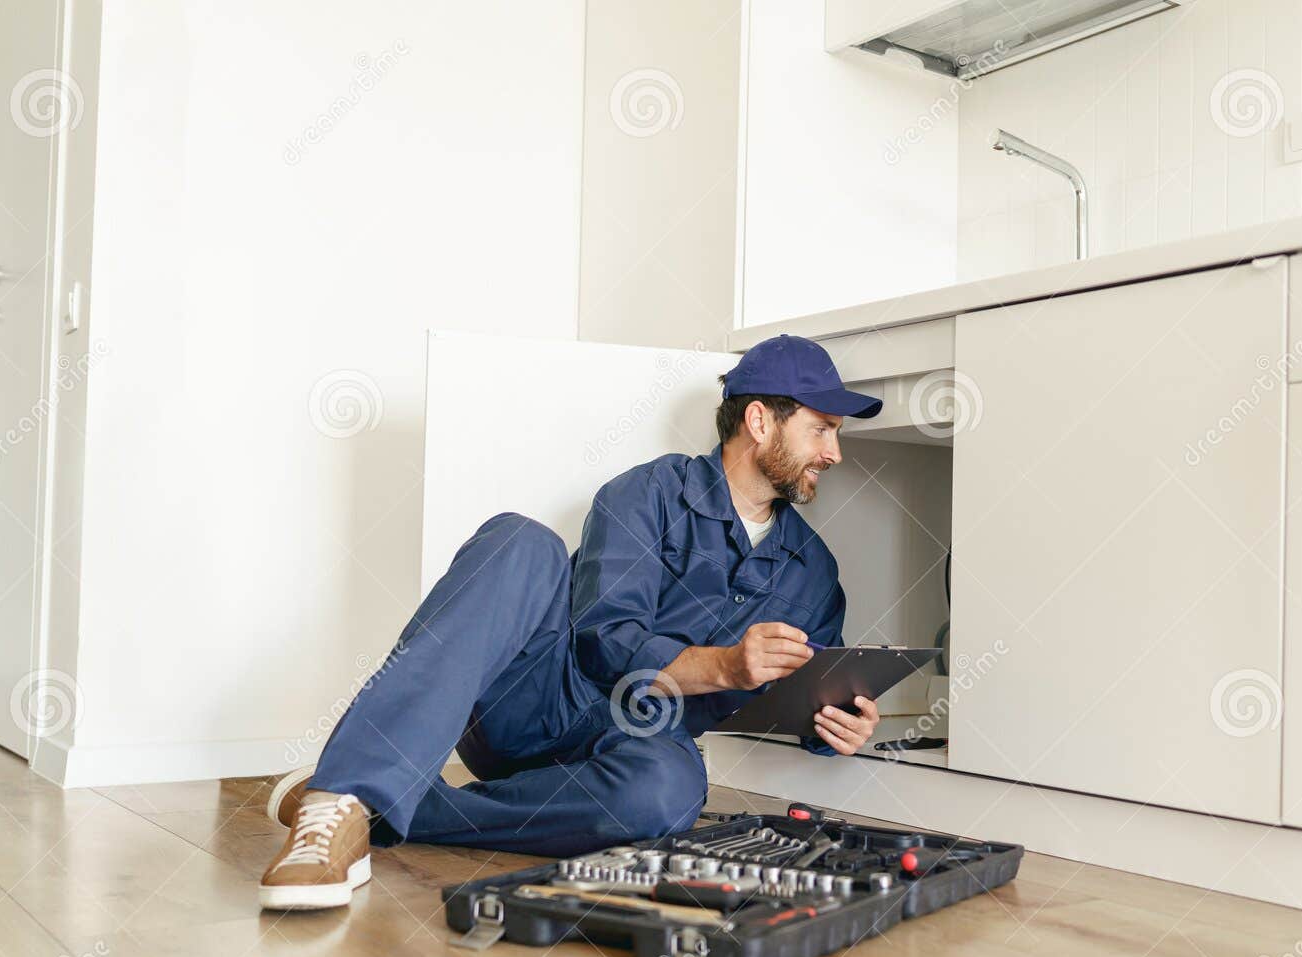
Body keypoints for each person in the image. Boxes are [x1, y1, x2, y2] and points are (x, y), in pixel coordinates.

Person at [257, 334, 884, 910]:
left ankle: (381, 809)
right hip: (533, 701)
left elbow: (804, 693)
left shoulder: (814, 572)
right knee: (519, 542)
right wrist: (724, 665)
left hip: (635, 748)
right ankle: (338, 800)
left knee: (670, 792)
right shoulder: (647, 494)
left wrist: (834, 724)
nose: (834, 452)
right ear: (758, 420)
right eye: (821, 429)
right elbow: (605, 643)